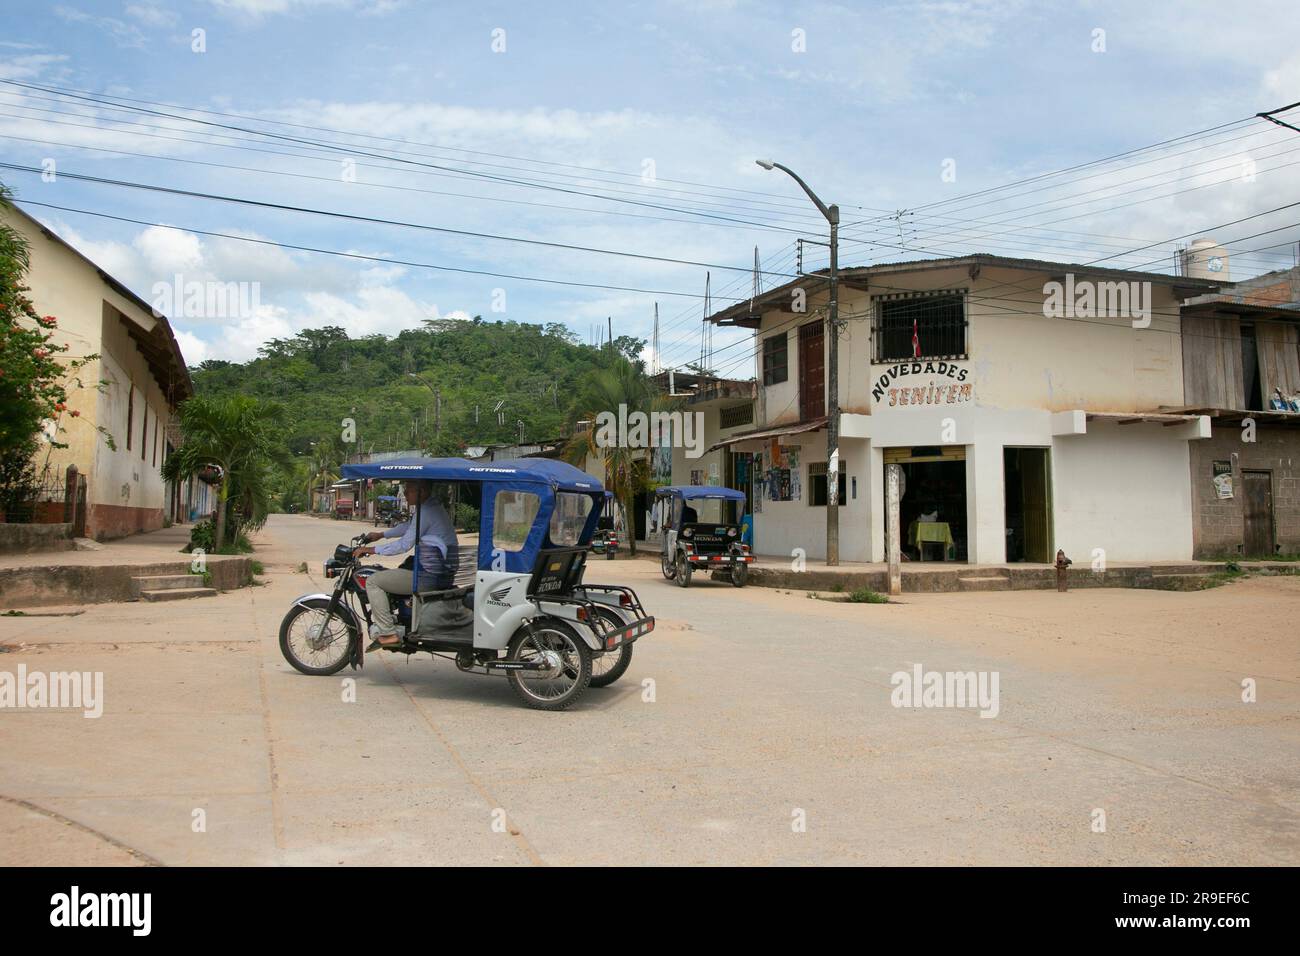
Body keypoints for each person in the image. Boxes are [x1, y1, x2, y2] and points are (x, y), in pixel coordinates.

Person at [351, 480, 458, 647]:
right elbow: (409, 527)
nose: (406, 495)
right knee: (395, 572)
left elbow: (404, 545)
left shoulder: (427, 512)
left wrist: (371, 550)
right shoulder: (430, 508)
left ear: (422, 491)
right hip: (438, 573)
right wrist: (381, 534)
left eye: (409, 491)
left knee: (373, 581)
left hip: (429, 577)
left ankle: (387, 632)